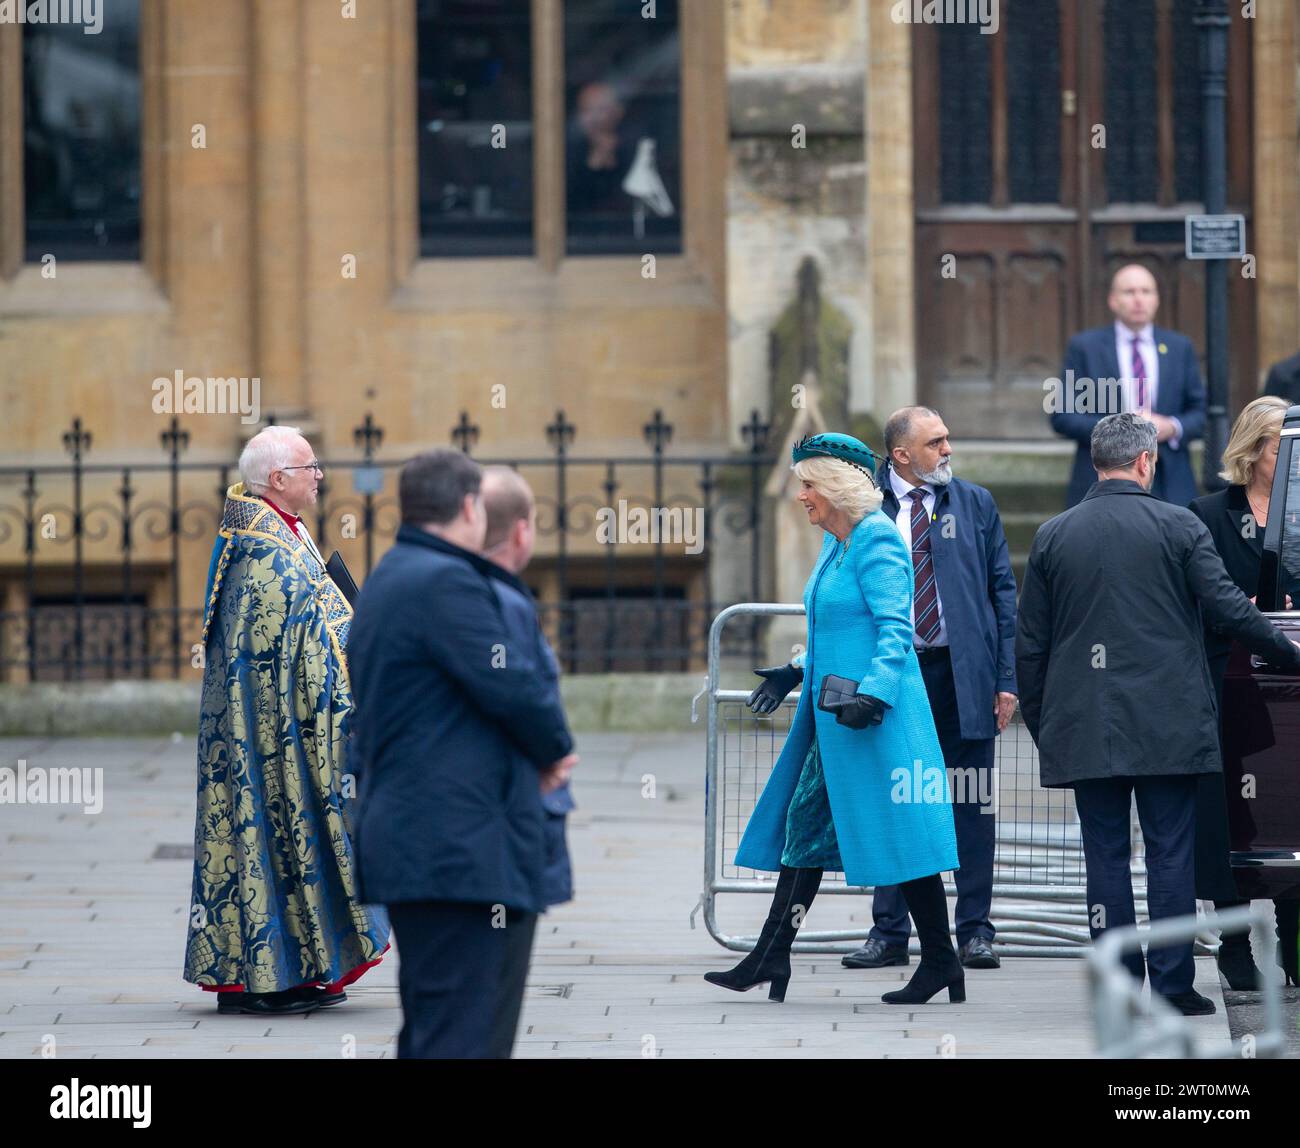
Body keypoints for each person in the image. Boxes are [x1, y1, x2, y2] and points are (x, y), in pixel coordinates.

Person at [1015, 413, 1300, 1016]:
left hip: (1085, 722)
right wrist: (1290, 652)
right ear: (1147, 462)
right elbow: (1229, 611)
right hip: (1170, 722)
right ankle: (1172, 985)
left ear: (1097, 461)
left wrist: (1046, 726)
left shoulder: (1053, 534)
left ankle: (1120, 990)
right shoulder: (1178, 525)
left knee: (1106, 857)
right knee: (1170, 855)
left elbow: (1030, 646)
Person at [706, 432, 963, 1007]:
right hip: (832, 722)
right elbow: (835, 626)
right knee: (805, 832)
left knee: (903, 840)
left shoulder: (876, 539)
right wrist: (794, 670)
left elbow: (898, 629)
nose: (801, 496)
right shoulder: (835, 542)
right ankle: (773, 954)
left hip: (874, 722)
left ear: (836, 487)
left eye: (808, 484)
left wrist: (873, 695)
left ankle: (942, 960)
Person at [347, 450, 577, 1059]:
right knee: (463, 1037)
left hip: (428, 845)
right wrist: (553, 751)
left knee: (435, 1030)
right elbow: (513, 687)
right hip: (456, 852)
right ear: (470, 506)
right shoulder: (445, 580)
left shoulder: (398, 570)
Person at [184, 426, 389, 1016]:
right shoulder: (263, 551)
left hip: (285, 728)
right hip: (273, 737)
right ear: (279, 480)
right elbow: (301, 641)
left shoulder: (273, 530)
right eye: (311, 466)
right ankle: (269, 979)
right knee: (274, 838)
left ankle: (302, 969)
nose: (320, 475)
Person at [842, 407, 1016, 973]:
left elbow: (1002, 594)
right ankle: (889, 932)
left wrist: (1006, 681)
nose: (948, 449)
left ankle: (975, 931)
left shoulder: (974, 504)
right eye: (935, 442)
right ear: (901, 455)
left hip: (963, 675)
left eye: (947, 438)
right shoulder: (867, 510)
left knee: (969, 801)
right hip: (896, 678)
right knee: (897, 799)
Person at [1189, 396, 1298, 988]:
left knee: (1290, 809)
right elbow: (1194, 602)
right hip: (1226, 687)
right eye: (1283, 448)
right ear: (1256, 450)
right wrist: (1242, 614)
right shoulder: (1206, 514)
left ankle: (1292, 939)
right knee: (1227, 816)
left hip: (1292, 690)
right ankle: (1234, 947)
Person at [480, 466, 575, 908]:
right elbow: (522, 695)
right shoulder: (500, 601)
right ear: (521, 532)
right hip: (510, 813)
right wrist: (553, 754)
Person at [1051, 264, 1206, 508]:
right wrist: (1120, 429)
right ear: (1113, 300)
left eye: (1146, 291)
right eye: (1129, 292)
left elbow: (1201, 412)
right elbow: (1062, 415)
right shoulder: (1084, 348)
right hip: (1102, 479)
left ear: (1156, 300)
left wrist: (1172, 427)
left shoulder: (1179, 347)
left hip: (1171, 478)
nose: (1138, 299)